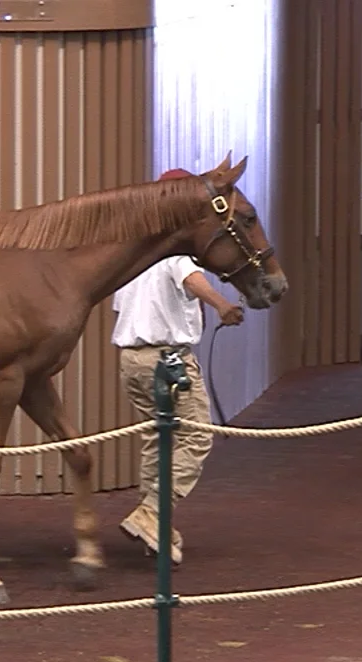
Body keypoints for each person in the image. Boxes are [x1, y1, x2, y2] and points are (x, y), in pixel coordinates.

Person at [111, 167, 245, 564]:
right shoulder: (176, 249)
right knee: (197, 436)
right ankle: (151, 513)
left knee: (159, 438)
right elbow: (190, 279)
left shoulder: (132, 250)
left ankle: (156, 522)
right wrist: (222, 305)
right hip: (167, 360)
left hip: (131, 358)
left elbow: (120, 305)